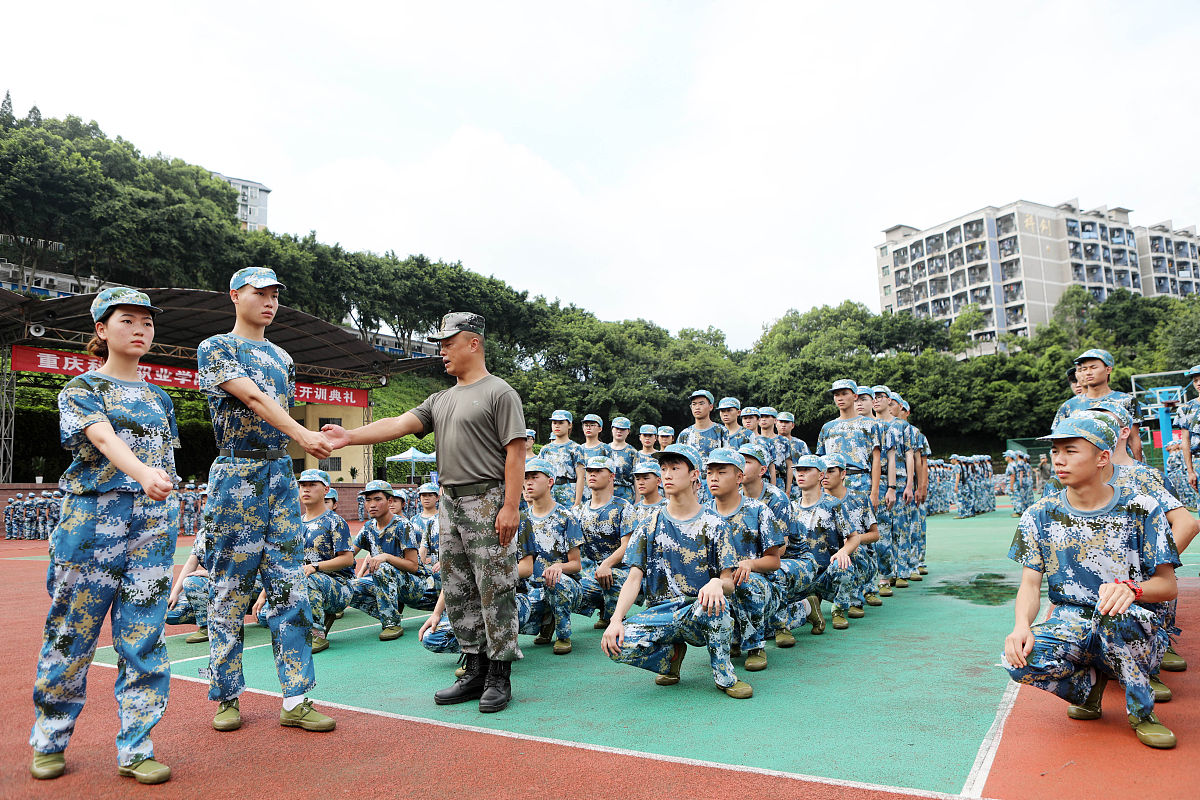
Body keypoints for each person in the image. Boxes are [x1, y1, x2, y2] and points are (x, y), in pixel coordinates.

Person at [323, 311, 526, 713]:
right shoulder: (441, 399)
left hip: (487, 499)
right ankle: (474, 668)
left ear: (474, 343)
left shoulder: (499, 392)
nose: (443, 352)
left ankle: (499, 673)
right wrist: (350, 436)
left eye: (449, 343)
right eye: (440, 345)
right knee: (458, 587)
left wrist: (510, 507)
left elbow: (516, 452)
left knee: (494, 587)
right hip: (450, 502)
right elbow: (398, 423)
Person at [30, 288, 177, 784]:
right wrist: (140, 473)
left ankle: (137, 746)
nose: (140, 329)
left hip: (152, 525)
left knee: (143, 635)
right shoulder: (81, 389)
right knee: (73, 631)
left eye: (147, 322)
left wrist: (152, 485)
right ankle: (50, 737)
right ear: (101, 329)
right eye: (127, 320)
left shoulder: (160, 398)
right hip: (93, 521)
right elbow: (101, 436)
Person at [196, 267, 335, 735]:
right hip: (236, 473)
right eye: (260, 293)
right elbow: (253, 398)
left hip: (279, 474)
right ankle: (227, 695)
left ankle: (296, 697)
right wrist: (301, 434)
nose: (270, 301)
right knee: (230, 589)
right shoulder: (217, 348)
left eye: (275, 294)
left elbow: (277, 405)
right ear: (235, 295)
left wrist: (295, 441)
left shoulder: (282, 356)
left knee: (289, 584)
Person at [1001, 413, 1180, 749]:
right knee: (1019, 656)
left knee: (1118, 615)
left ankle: (1142, 712)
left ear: (1102, 457)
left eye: (1071, 450)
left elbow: (1167, 585)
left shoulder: (1141, 508)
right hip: (1072, 620)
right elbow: (1030, 585)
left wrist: (1131, 588)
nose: (1059, 460)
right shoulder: (1039, 514)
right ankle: (1089, 688)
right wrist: (1021, 625)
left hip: (1132, 621)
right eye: (1055, 452)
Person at [601, 444, 753, 699]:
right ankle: (671, 656)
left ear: (694, 475)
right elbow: (635, 576)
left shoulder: (714, 524)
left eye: (675, 468)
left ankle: (724, 673)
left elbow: (729, 581)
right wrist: (616, 620)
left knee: (719, 605)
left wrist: (717, 582)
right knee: (617, 645)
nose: (667, 475)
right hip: (662, 614)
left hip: (699, 611)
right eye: (663, 469)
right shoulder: (650, 523)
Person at [705, 448, 784, 672]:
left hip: (755, 585)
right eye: (710, 473)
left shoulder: (758, 511)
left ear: (739, 478)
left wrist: (749, 563)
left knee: (743, 579)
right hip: (720, 586)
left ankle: (755, 646)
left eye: (721, 472)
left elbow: (774, 561)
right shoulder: (703, 514)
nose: (713, 478)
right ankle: (730, 638)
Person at [773, 454, 861, 635]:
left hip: (826, 573)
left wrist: (844, 552)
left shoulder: (832, 505)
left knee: (843, 565)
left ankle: (839, 608)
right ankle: (808, 608)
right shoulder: (789, 508)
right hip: (802, 574)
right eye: (798, 470)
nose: (801, 474)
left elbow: (854, 537)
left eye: (807, 470)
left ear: (821, 475)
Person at [518, 457, 584, 653]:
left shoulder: (566, 518)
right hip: (533, 590)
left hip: (563, 586)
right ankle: (546, 621)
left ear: (550, 482)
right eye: (526, 478)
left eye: (534, 477)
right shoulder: (521, 519)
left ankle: (563, 634)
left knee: (556, 581)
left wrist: (558, 567)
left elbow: (576, 564)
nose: (528, 482)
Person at [576, 456, 637, 630]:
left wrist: (606, 564)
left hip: (621, 572)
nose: (592, 475)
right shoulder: (580, 510)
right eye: (589, 471)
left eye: (598, 471)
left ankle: (615, 614)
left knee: (612, 576)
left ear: (611, 476)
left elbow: (628, 545)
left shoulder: (623, 507)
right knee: (566, 587)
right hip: (592, 572)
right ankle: (602, 607)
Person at [1052, 348, 1143, 462]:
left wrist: (1138, 468)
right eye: (1084, 369)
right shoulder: (1069, 406)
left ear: (1108, 369)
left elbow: (1134, 439)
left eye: (1093, 367)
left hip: (1119, 467)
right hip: (1083, 468)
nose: (1088, 372)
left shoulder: (1126, 401)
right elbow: (1058, 443)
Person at [821, 454, 881, 620]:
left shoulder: (860, 499)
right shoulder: (818, 500)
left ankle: (854, 599)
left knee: (850, 550)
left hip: (859, 561)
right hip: (829, 559)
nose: (825, 476)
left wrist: (854, 541)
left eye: (831, 471)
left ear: (843, 474)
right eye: (822, 471)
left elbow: (875, 534)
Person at [816, 380, 881, 508]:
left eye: (844, 394)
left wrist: (874, 492)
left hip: (860, 482)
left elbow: (876, 460)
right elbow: (820, 461)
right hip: (832, 484)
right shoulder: (828, 427)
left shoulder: (870, 425)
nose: (840, 398)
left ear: (855, 396)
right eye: (837, 395)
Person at [541, 410, 586, 507]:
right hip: (549, 492)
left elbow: (581, 477)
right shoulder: (545, 449)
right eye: (554, 423)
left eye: (561, 423)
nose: (557, 426)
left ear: (569, 425)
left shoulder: (576, 448)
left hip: (569, 493)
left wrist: (577, 502)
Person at [608, 417, 637, 503]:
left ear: (628, 431)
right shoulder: (604, 449)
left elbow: (637, 479)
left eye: (623, 429)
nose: (619, 431)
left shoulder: (632, 452)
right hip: (605, 492)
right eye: (617, 428)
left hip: (626, 494)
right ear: (612, 429)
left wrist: (638, 501)